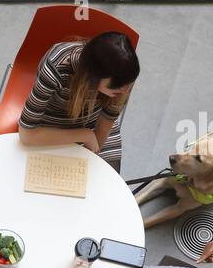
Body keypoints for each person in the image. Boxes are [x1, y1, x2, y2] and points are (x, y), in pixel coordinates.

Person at [17, 31, 139, 174]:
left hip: (95, 128)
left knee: (103, 186)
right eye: (116, 88)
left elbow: (105, 124)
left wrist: (91, 153)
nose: (125, 92)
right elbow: (27, 134)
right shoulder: (57, 65)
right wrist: (84, 135)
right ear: (93, 76)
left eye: (129, 86)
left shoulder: (123, 77)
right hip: (50, 129)